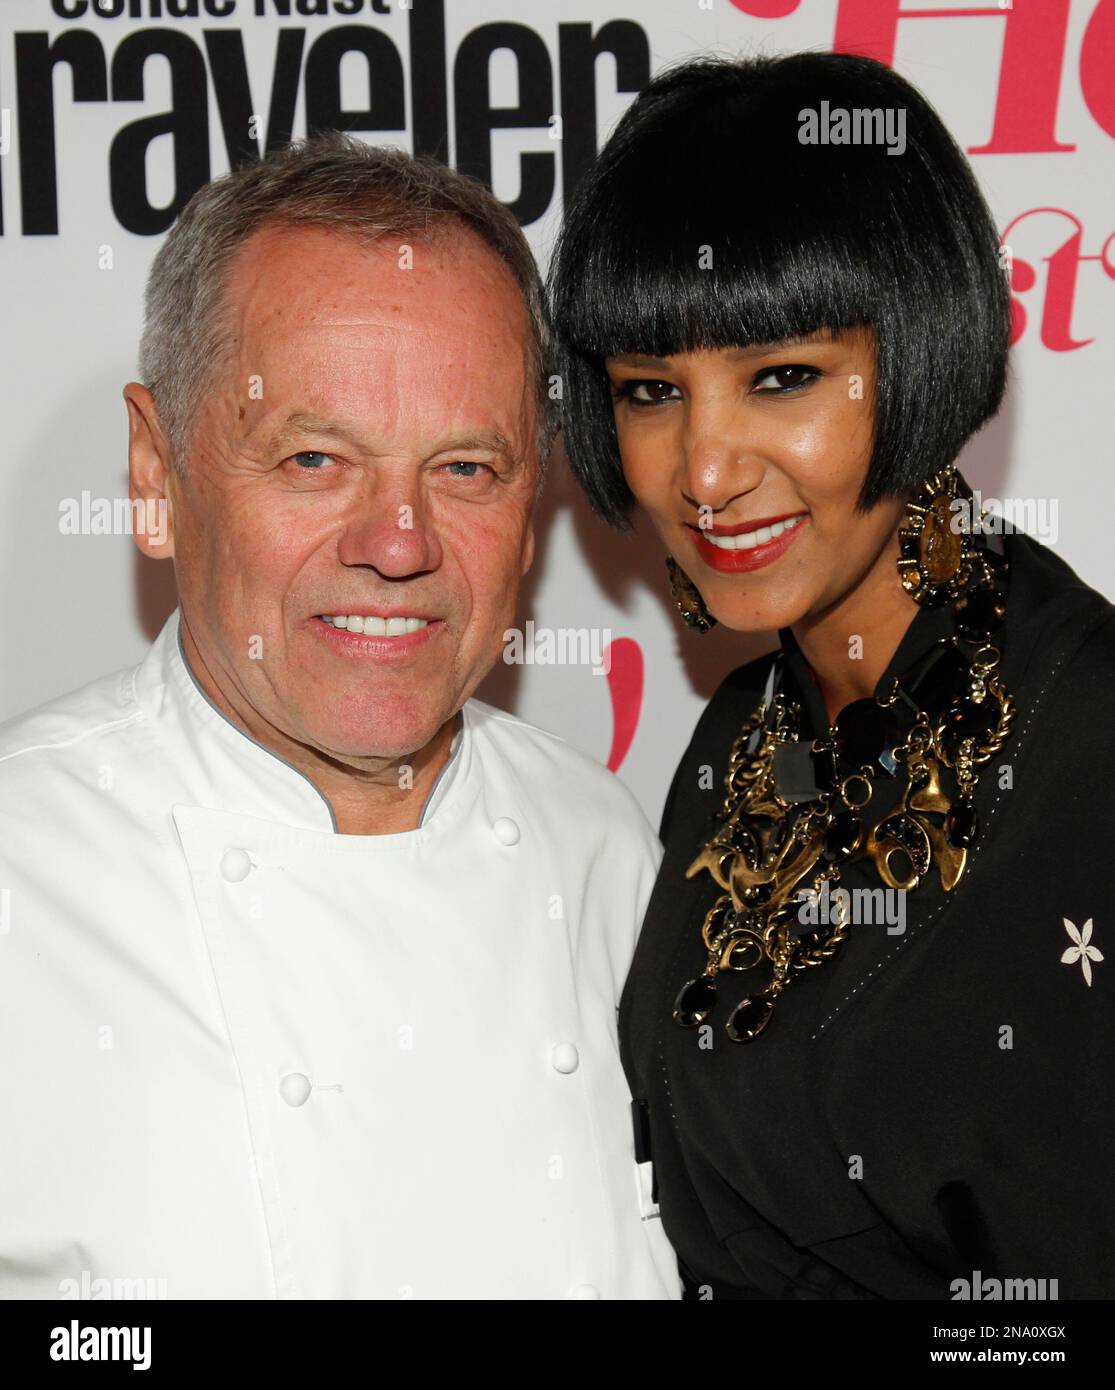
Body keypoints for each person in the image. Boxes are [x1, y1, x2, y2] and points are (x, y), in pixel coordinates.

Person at [0, 133, 680, 1301]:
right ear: (157, 476)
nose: (398, 542)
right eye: (315, 458)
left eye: (466, 468)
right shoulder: (22, 863)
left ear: (531, 513)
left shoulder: (605, 847)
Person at [549, 52, 1115, 1299]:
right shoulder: (735, 738)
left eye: (780, 378)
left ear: (921, 343)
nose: (703, 470)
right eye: (650, 392)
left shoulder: (1086, 744)